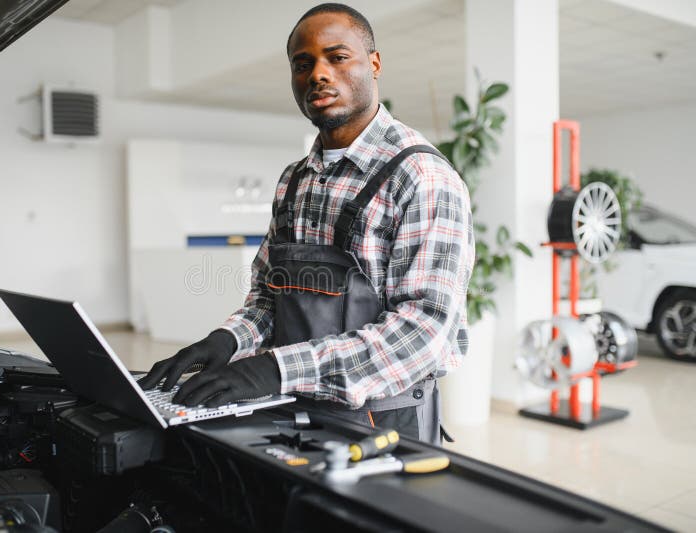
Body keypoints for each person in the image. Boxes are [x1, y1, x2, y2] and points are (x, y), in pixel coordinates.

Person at [140, 3, 473, 445]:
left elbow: (422, 331)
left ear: (373, 64)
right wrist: (225, 342)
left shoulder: (421, 177)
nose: (318, 73)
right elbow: (269, 299)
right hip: (295, 405)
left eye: (337, 57)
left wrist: (274, 369)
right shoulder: (295, 179)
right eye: (303, 63)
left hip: (383, 422)